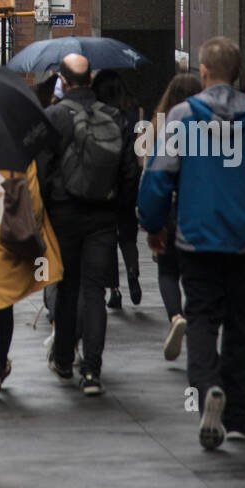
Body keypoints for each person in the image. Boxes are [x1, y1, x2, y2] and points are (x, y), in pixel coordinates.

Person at [137, 36, 245, 449]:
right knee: (242, 327)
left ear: (203, 74)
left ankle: (208, 387)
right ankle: (239, 414)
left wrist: (153, 225)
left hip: (196, 239)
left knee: (202, 319)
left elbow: (157, 177)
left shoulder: (184, 117)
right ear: (240, 75)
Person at [39, 53, 139, 396]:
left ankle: (65, 359)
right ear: (91, 77)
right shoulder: (114, 116)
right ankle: (92, 372)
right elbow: (130, 171)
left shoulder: (52, 116)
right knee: (94, 291)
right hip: (102, 215)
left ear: (62, 80)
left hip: (63, 214)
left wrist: (42, 214)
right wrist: (122, 210)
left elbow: (39, 169)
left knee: (66, 289)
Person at [0, 163, 63, 399]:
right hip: (9, 234)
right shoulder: (18, 151)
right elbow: (33, 199)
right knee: (6, 299)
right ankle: (1, 362)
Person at [143, 70, 202, 361]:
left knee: (167, 270)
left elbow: (151, 175)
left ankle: (175, 317)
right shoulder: (207, 124)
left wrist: (151, 223)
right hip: (197, 209)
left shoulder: (159, 124)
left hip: (168, 208)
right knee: (196, 270)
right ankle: (196, 320)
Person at [91, 69, 144, 309]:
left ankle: (114, 290)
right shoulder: (135, 111)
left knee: (108, 239)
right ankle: (133, 272)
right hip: (129, 180)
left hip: (104, 185)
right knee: (128, 233)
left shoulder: (97, 115)